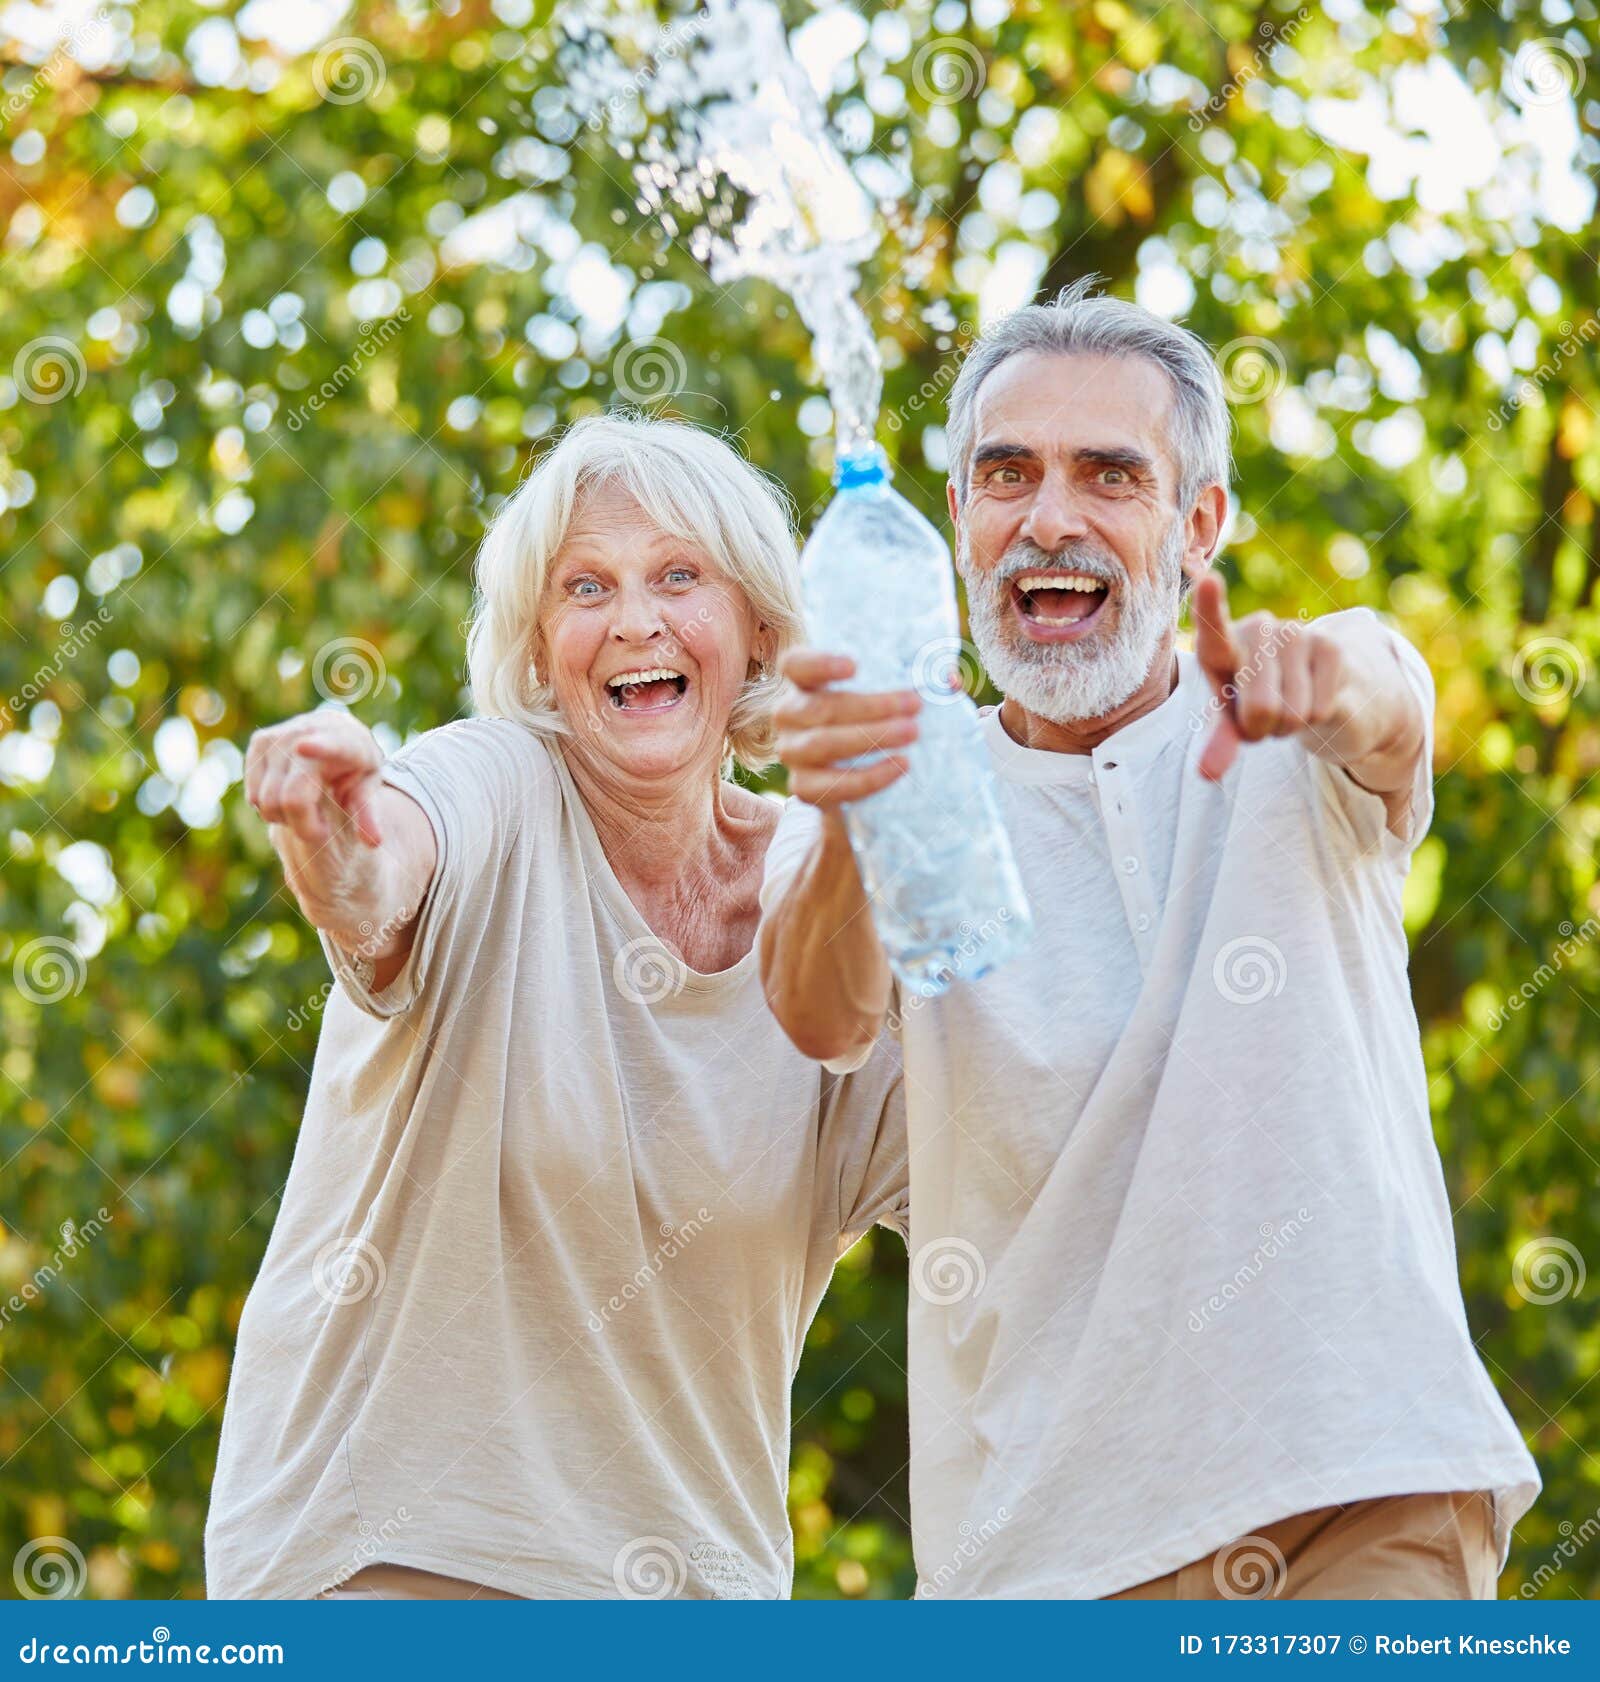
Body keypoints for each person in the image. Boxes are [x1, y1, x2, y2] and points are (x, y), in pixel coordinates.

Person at [759, 280, 1539, 1600]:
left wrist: (1321, 678)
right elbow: (822, 1018)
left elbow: (1386, 695)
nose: (1048, 515)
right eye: (1006, 472)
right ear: (957, 518)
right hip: (1047, 1556)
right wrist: (846, 824)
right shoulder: (901, 782)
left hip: (1357, 1485)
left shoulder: (1289, 723)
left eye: (1109, 474)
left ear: (1199, 523)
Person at [206, 414, 907, 1601]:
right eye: (588, 586)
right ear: (540, 653)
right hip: (393, 1564)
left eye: (679, 576)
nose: (635, 618)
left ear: (759, 632)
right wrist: (332, 833)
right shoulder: (497, 784)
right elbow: (381, 881)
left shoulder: (833, 887)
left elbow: (1001, 1179)